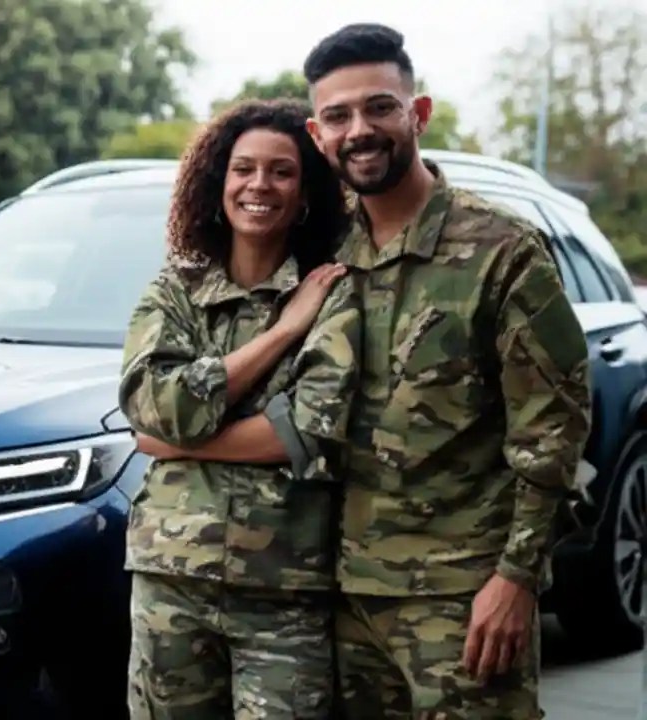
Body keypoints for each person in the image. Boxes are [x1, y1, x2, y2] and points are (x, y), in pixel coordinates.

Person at [135, 23, 594, 720]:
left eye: (380, 107)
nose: (362, 130)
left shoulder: (500, 252)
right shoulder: (321, 253)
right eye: (341, 116)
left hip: (458, 596)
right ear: (320, 136)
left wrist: (517, 580)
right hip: (341, 596)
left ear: (419, 114)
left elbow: (554, 433)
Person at [119, 98, 360, 720]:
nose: (260, 185)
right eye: (243, 168)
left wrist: (176, 440)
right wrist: (282, 333)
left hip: (285, 587)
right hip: (171, 578)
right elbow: (153, 405)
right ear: (216, 183)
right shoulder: (175, 289)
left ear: (305, 192)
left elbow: (307, 431)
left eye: (281, 171)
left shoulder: (330, 292)